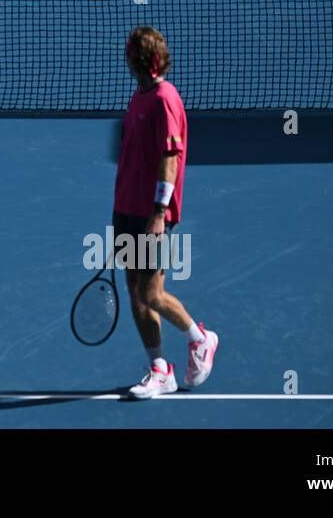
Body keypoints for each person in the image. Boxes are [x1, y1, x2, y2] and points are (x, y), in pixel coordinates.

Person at [114, 26, 218, 398]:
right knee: (134, 291)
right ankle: (161, 369)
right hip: (126, 209)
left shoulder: (163, 99)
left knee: (152, 293)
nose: (124, 57)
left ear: (140, 59)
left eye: (129, 52)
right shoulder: (138, 97)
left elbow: (170, 159)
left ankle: (200, 339)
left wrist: (159, 211)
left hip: (151, 213)